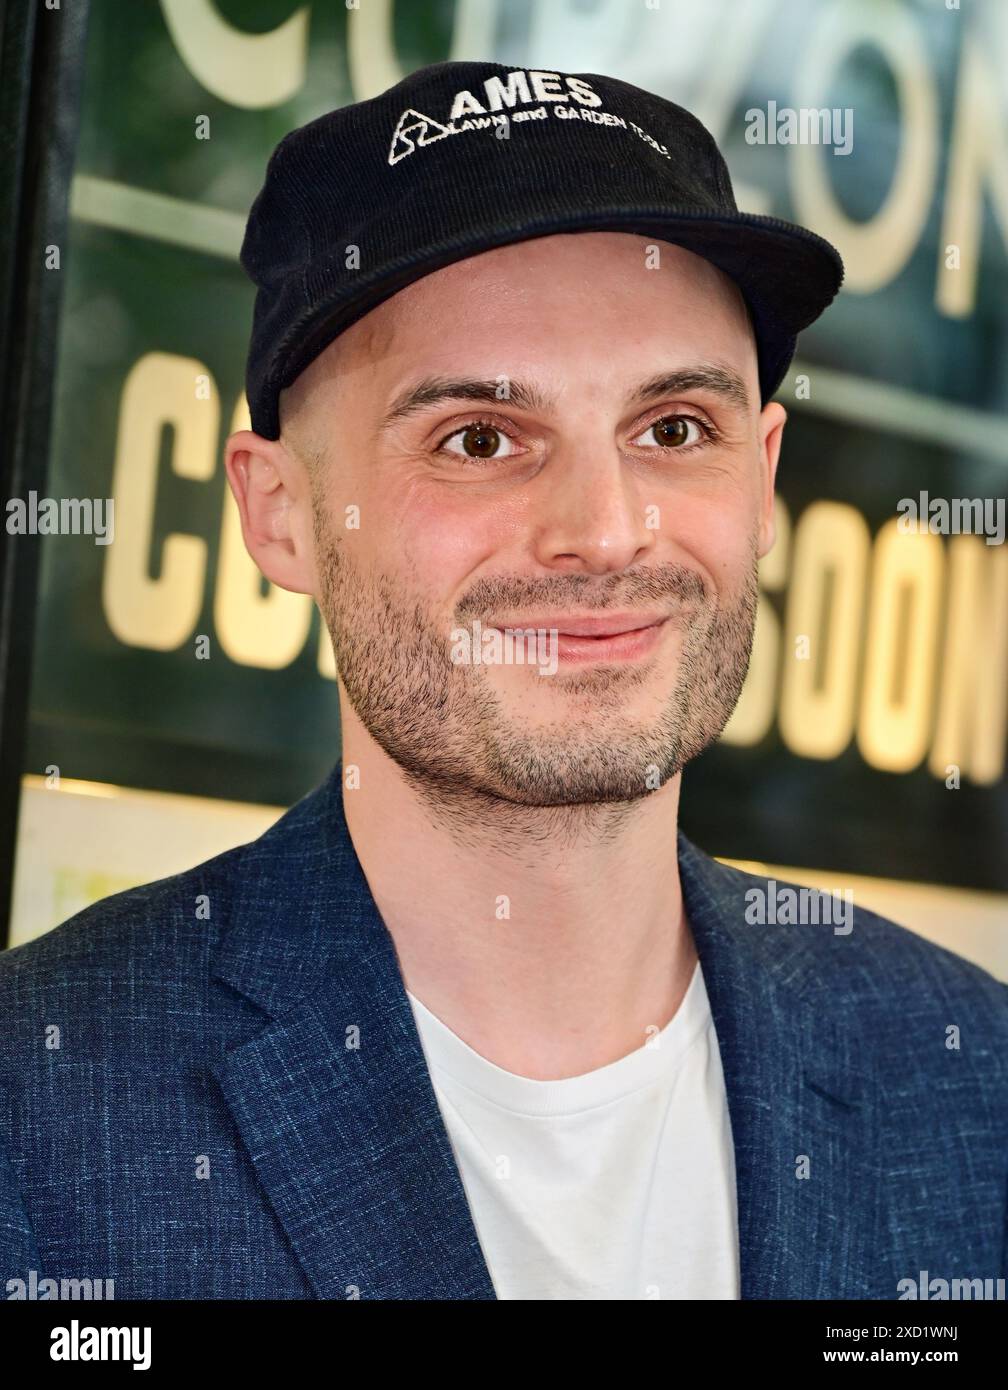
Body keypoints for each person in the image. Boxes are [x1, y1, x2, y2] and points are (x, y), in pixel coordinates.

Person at [2, 61, 1005, 1302]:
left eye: (674, 428)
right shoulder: (39, 1111)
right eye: (480, 438)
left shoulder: (971, 1082)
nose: (606, 529)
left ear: (763, 474)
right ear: (279, 515)